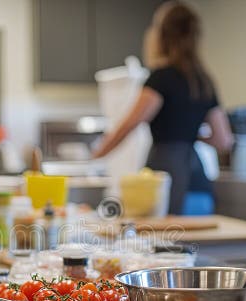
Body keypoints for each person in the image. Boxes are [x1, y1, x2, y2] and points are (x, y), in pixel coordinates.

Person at [93, 1, 233, 215]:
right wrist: (191, 134)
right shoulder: (203, 80)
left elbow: (130, 124)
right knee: (199, 246)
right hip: (197, 182)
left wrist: (95, 156)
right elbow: (223, 141)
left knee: (165, 242)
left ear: (163, 36)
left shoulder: (161, 78)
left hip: (166, 176)